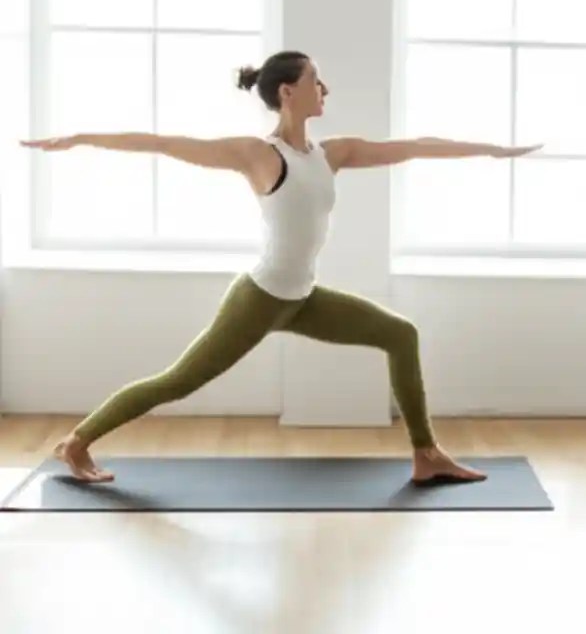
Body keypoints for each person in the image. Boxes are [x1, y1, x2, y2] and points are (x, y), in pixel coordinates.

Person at [20, 50, 540, 483]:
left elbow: (414, 148)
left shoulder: (331, 153)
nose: (326, 89)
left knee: (400, 334)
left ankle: (426, 455)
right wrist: (80, 138)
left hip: (302, 300)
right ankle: (77, 441)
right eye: (317, 79)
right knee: (177, 382)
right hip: (260, 299)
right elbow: (161, 143)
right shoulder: (258, 154)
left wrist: (492, 151)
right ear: (288, 92)